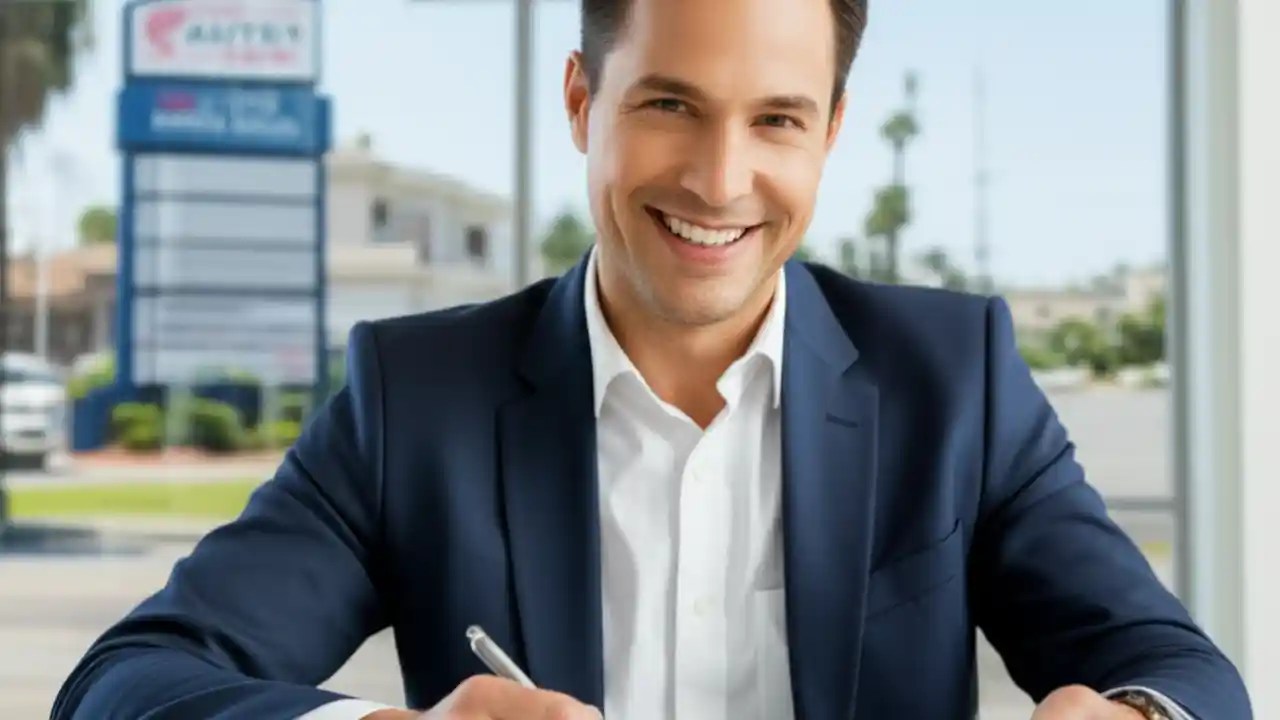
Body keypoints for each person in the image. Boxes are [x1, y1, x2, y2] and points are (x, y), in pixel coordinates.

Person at [53, 0, 1250, 718]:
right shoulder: (412, 399)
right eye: (669, 106)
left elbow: (1175, 669)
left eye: (774, 119)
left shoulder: (955, 380)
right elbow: (127, 685)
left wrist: (1135, 714)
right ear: (582, 102)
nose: (719, 182)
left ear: (830, 130)